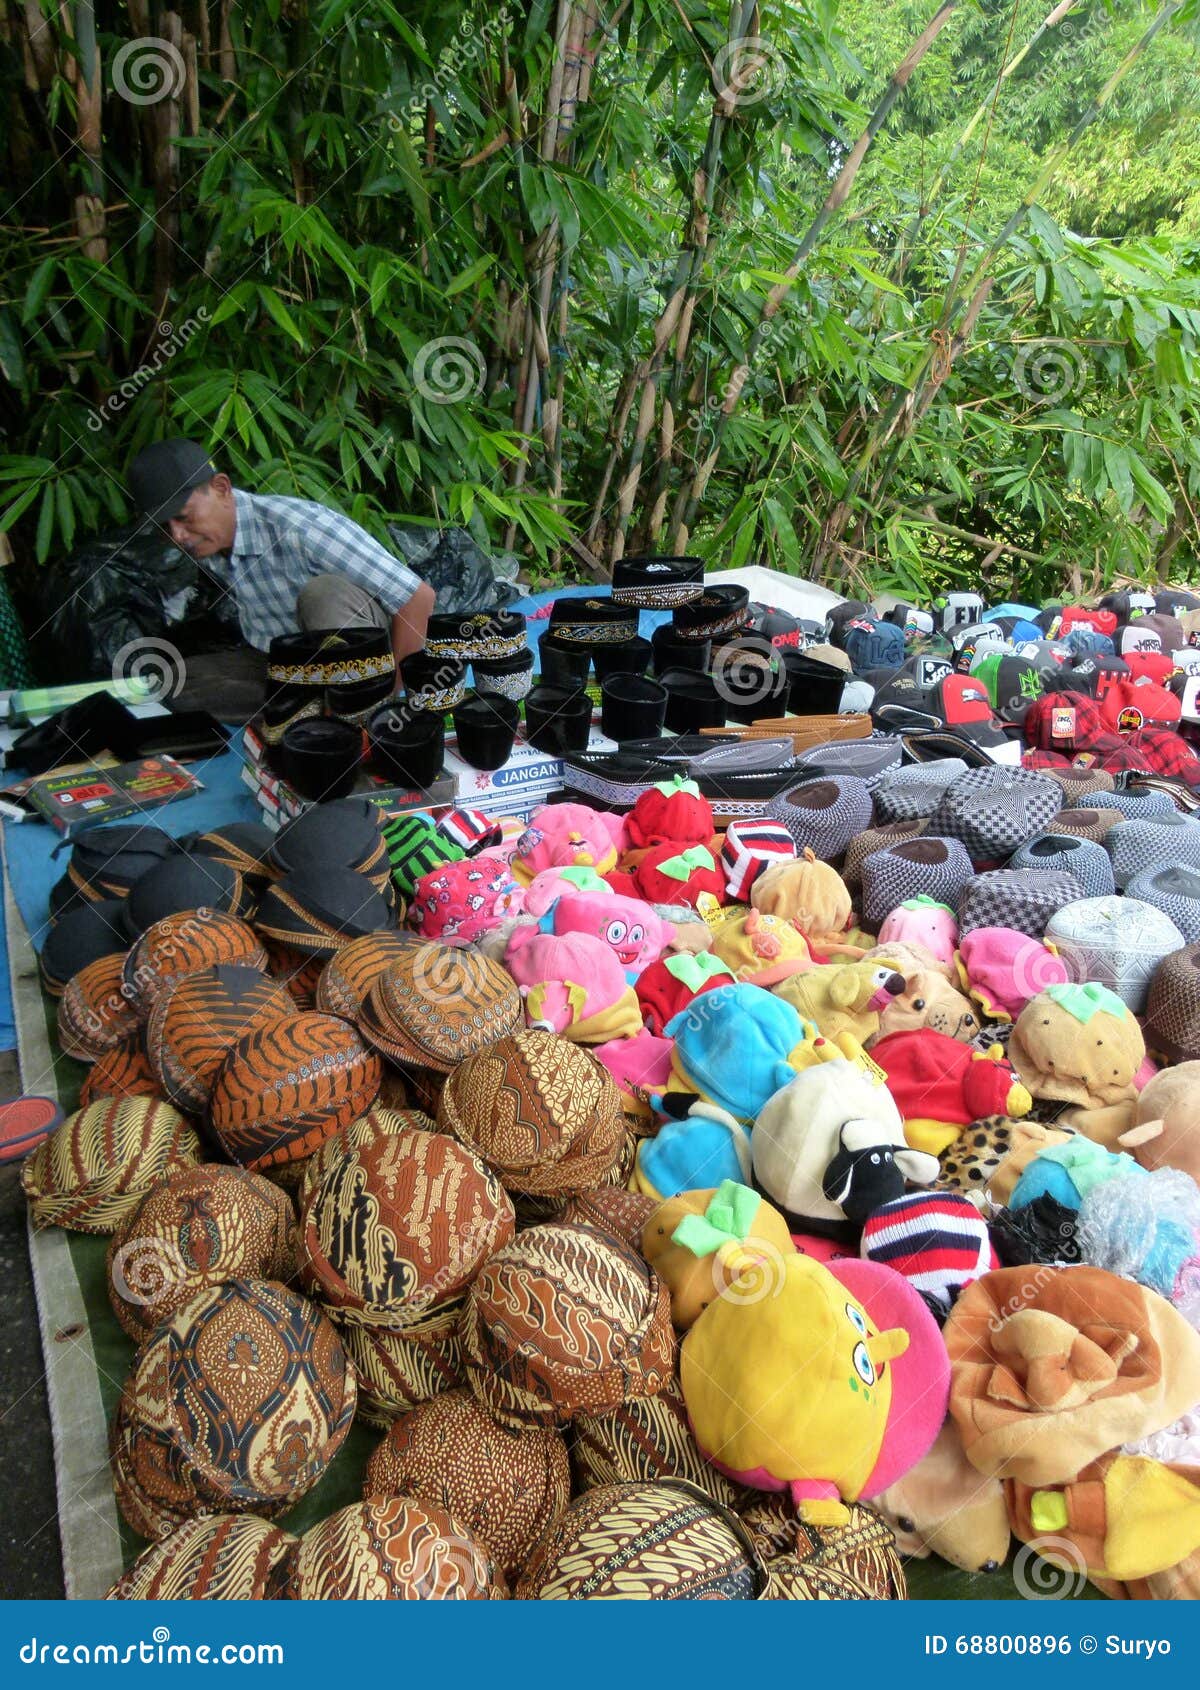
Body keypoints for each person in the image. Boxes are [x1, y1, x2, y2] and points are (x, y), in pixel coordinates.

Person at [127, 438, 434, 669]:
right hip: (287, 665)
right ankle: (305, 707)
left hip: (367, 662)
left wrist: (395, 698)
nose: (178, 536)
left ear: (221, 488)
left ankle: (356, 706)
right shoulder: (211, 546)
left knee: (323, 594)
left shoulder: (301, 527)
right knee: (176, 684)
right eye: (164, 527)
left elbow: (416, 597)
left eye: (184, 517)